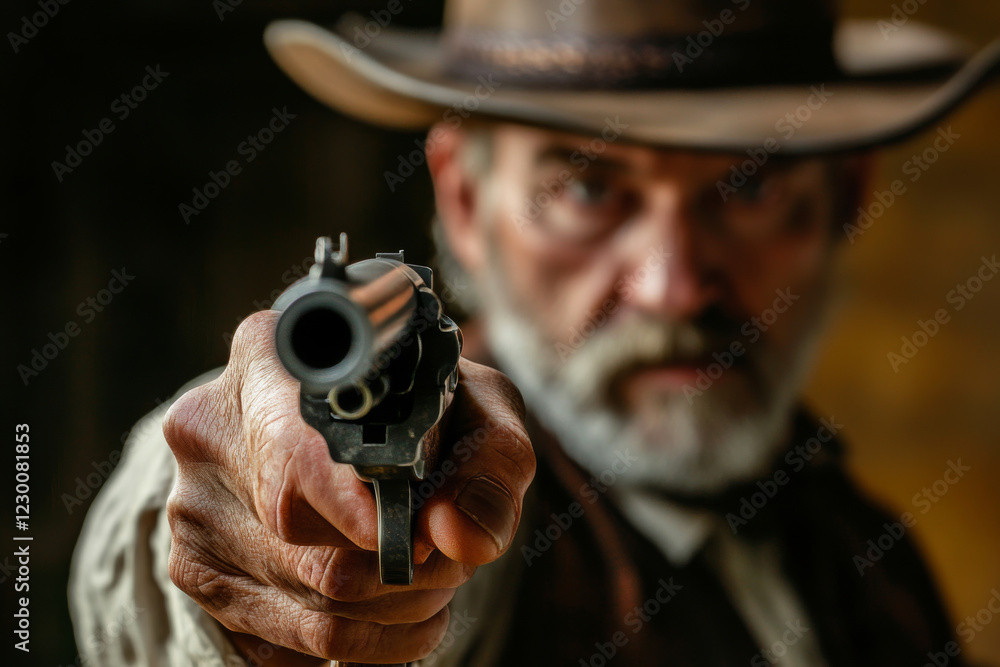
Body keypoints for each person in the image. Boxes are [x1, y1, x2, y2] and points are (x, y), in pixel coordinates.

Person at [69, 0, 1000, 665]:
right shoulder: (478, 517)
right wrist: (253, 517)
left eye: (749, 184)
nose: (673, 286)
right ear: (465, 203)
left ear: (845, 198)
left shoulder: (859, 544)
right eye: (588, 187)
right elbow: (191, 537)